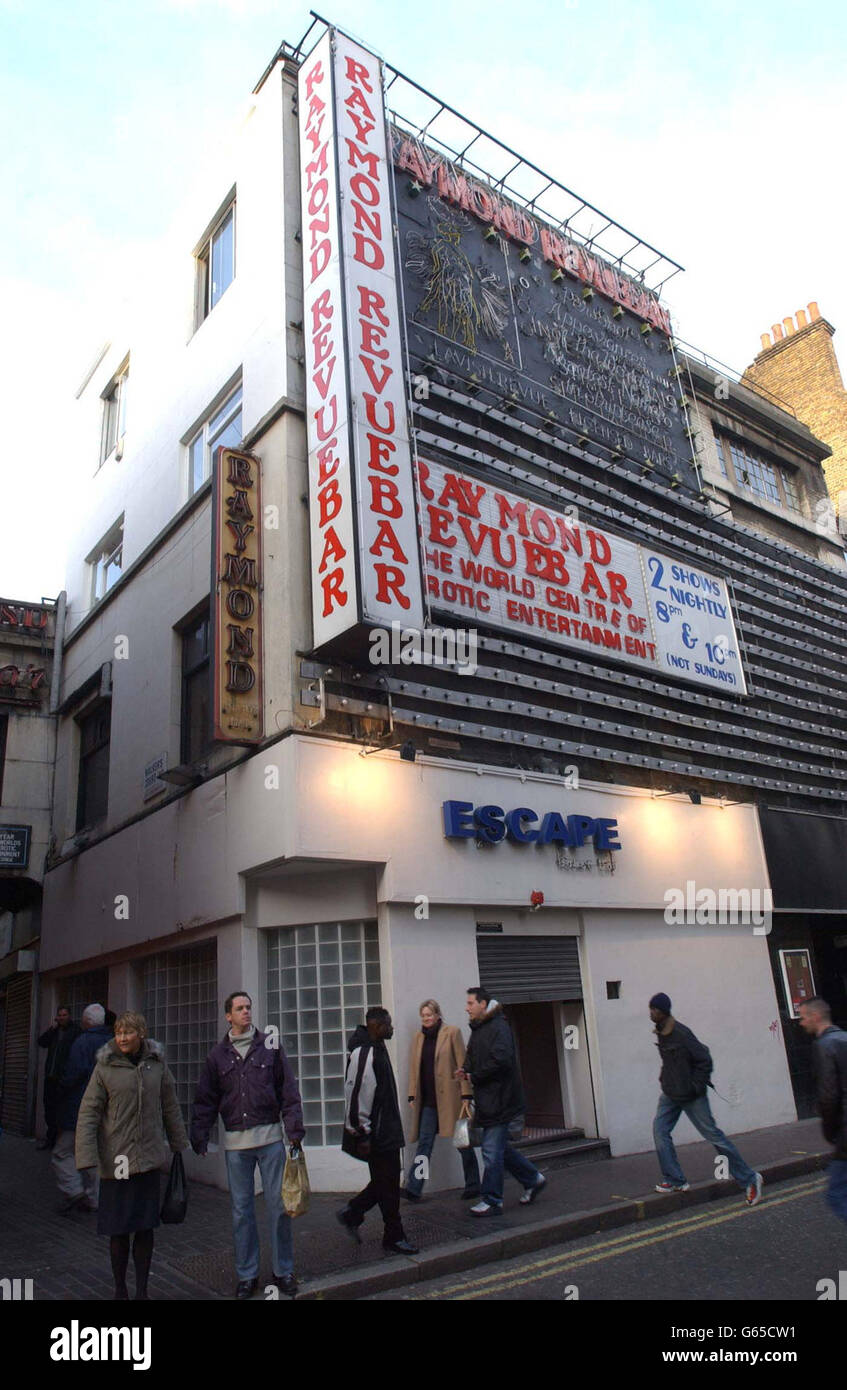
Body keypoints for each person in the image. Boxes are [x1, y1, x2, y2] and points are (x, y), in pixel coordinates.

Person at [191, 990, 305, 1299]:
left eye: (248, 1007)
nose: (246, 1012)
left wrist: (293, 1129)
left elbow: (288, 1090)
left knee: (279, 1207)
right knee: (241, 1212)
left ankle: (283, 1271)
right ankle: (246, 1275)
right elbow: (206, 1099)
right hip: (236, 1146)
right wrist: (199, 1133)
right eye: (240, 1008)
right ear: (228, 1015)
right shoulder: (217, 1056)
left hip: (270, 1140)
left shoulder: (270, 1045)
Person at [76, 1011, 188, 1300]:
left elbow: (170, 1105)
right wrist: (86, 1156)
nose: (123, 1038)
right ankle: (120, 1290)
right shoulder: (105, 1066)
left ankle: (142, 1291)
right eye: (118, 1032)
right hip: (118, 1159)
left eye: (128, 1032)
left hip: (148, 1157)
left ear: (141, 1033)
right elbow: (89, 1112)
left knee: (145, 1227)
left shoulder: (156, 1064)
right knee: (119, 1228)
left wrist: (179, 1142)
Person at [649, 991, 762, 1204]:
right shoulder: (661, 1032)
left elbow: (704, 1060)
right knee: (660, 1130)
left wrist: (695, 1086)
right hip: (671, 1093)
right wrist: (665, 1079)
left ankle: (750, 1179)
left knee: (714, 1136)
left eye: (654, 1009)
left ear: (663, 1011)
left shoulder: (682, 1033)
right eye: (650, 1009)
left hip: (692, 1095)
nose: (650, 1013)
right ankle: (674, 1179)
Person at [454, 987, 546, 1216]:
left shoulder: (499, 1026)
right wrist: (465, 1069)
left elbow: (502, 1061)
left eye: (470, 1003)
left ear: (483, 1004)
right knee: (499, 1149)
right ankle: (533, 1179)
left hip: (501, 1100)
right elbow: (473, 1055)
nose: (467, 1007)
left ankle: (493, 1200)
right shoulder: (479, 1028)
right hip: (489, 1100)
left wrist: (475, 1076)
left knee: (491, 1152)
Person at [337, 1006, 419, 1254]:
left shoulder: (377, 1048)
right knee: (389, 1185)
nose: (392, 1027)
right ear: (376, 1026)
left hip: (386, 1131)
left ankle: (353, 1212)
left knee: (385, 1182)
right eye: (388, 1024)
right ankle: (393, 1236)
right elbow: (356, 1095)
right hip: (377, 1135)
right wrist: (361, 1133)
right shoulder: (365, 1052)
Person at [402, 998, 480, 1201]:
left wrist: (466, 1094)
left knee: (462, 1142)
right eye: (423, 1015)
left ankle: (473, 1184)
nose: (426, 1018)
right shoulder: (418, 1038)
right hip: (428, 1101)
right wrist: (412, 1094)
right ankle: (414, 1188)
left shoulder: (451, 1033)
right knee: (424, 1144)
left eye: (429, 1014)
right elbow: (414, 1069)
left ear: (438, 1015)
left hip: (451, 1099)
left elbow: (463, 1064)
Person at [52, 1003, 112, 1213]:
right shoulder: (113, 1043)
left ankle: (74, 1189)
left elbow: (73, 1074)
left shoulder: (82, 1042)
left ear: (86, 1021)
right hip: (105, 1107)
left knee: (63, 1151)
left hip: (80, 1105)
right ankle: (95, 1197)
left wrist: (60, 1091)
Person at [798, 996, 847, 1227]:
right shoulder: (845, 1038)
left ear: (816, 1017)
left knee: (836, 1193)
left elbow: (829, 1097)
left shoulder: (823, 1046)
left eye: (804, 1016)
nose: (800, 1022)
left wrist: (831, 1133)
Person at [37, 1005, 80, 1149]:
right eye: (59, 1015)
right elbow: (41, 1042)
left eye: (64, 1015)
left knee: (62, 1110)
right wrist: (52, 1028)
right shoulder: (54, 1032)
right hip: (50, 1077)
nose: (61, 1018)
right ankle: (51, 1140)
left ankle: (63, 1143)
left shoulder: (75, 1032)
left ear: (69, 1016)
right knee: (49, 1109)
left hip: (63, 1079)